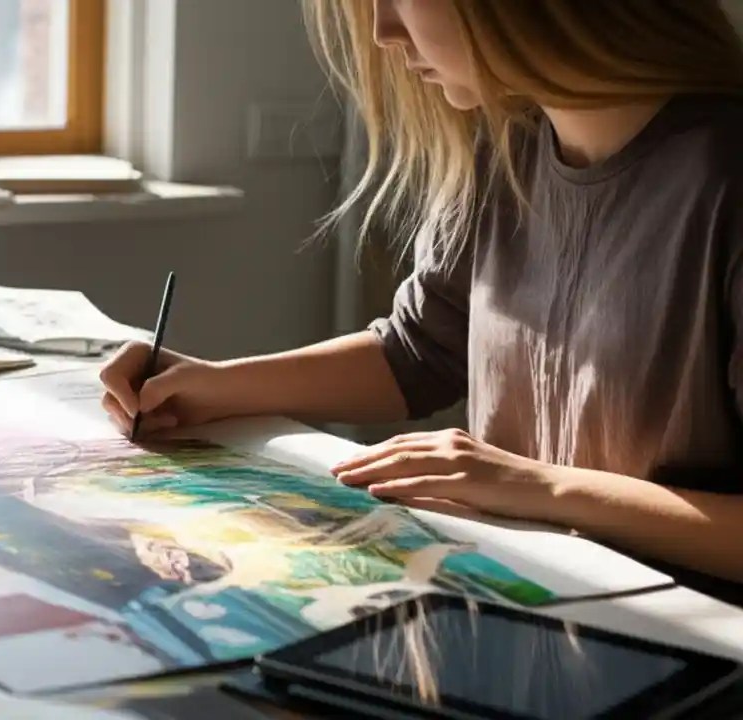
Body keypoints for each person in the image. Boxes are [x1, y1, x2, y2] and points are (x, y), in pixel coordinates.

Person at [99, 0, 743, 597]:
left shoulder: (724, 182)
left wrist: (540, 487)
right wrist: (213, 387)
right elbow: (418, 351)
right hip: (537, 603)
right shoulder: (506, 150)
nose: (383, 33)